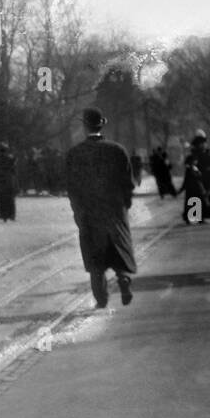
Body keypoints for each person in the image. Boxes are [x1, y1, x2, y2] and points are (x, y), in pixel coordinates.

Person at [64, 108, 136, 309]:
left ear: (84, 126)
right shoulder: (118, 150)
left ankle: (101, 298)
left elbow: (71, 187)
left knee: (95, 258)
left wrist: (77, 210)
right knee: (118, 249)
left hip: (88, 212)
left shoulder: (74, 154)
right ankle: (123, 278)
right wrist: (124, 205)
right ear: (102, 125)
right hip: (114, 211)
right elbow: (128, 183)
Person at [182, 131, 210, 224]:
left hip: (202, 178)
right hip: (195, 180)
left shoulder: (204, 154)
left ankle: (199, 216)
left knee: (201, 197)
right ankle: (194, 216)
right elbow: (190, 166)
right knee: (195, 197)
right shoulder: (194, 155)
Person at [0, 142, 17, 222]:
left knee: (0, 199)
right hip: (8, 181)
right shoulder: (10, 159)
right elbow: (14, 171)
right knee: (10, 199)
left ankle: (3, 214)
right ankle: (11, 215)